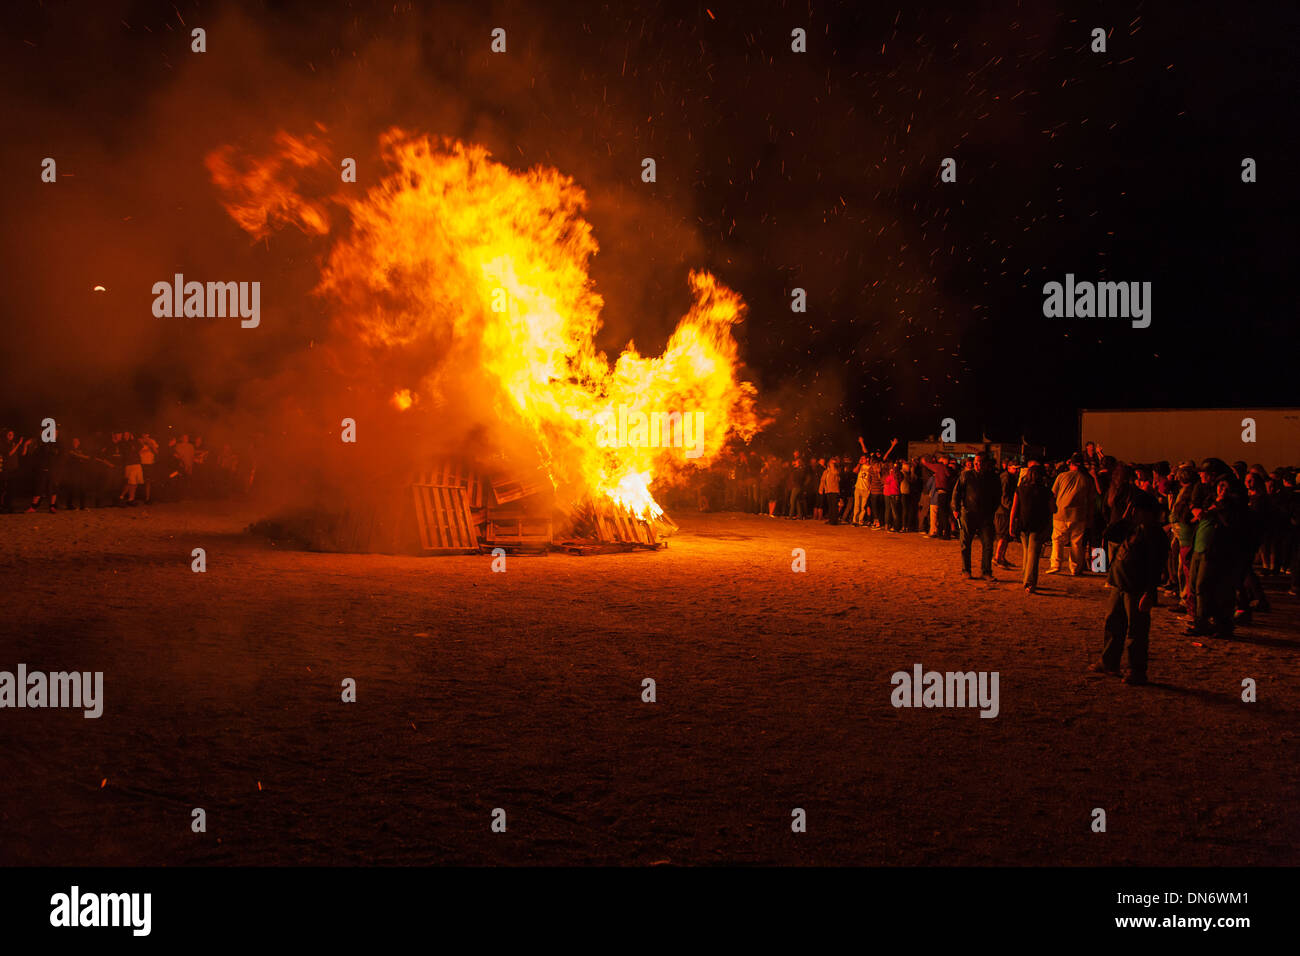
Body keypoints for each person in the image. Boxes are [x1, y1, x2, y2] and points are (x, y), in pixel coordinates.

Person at [1092, 484, 1168, 685]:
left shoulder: (1154, 534)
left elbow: (1155, 565)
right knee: (1113, 625)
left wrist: (1149, 593)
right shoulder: (1133, 527)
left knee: (1137, 631)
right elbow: (1109, 533)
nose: (1133, 512)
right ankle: (1109, 662)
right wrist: (1125, 517)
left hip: (1137, 588)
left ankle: (1136, 670)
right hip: (1119, 584)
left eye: (1136, 509)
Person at [952, 452, 1001, 579]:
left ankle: (986, 571)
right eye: (976, 463)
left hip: (986, 515)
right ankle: (966, 570)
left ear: (986, 464)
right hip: (968, 513)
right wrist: (955, 508)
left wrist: (992, 510)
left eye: (980, 463)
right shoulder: (966, 475)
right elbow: (957, 492)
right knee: (965, 544)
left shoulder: (993, 478)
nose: (978, 465)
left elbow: (997, 495)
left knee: (988, 544)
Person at [1010, 463, 1054, 592]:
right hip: (1038, 524)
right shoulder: (1045, 491)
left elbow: (1014, 508)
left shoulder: (1021, 489)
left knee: (1026, 552)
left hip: (1023, 524)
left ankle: (1026, 578)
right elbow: (1053, 508)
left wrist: (1011, 524)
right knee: (1033, 554)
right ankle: (1029, 582)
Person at [1049, 454, 1095, 574]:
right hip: (1079, 515)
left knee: (1057, 540)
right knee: (1076, 543)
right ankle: (1074, 568)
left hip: (1060, 513)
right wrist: (1090, 517)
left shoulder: (1062, 476)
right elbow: (1091, 501)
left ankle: (1056, 565)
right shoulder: (1087, 479)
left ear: (1071, 464)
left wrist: (1052, 510)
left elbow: (1053, 495)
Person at [921, 454, 955, 539]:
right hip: (947, 492)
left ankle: (945, 533)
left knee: (942, 514)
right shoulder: (948, 468)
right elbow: (948, 476)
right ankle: (943, 532)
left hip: (941, 492)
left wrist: (924, 462)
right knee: (944, 513)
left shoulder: (940, 467)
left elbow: (929, 466)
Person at [993, 460, 1019, 568]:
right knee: (1002, 535)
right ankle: (997, 557)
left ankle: (1002, 557)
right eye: (1014, 468)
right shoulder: (1006, 478)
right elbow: (1004, 495)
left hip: (1005, 510)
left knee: (1006, 535)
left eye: (1018, 468)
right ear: (1009, 468)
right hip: (1002, 511)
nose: (1017, 470)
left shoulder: (1011, 477)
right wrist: (1011, 507)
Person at [820, 457, 841, 525]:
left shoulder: (836, 470)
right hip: (828, 490)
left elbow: (835, 473)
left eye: (833, 462)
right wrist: (821, 488)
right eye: (830, 462)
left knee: (834, 506)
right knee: (830, 505)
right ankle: (831, 519)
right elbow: (822, 480)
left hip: (834, 490)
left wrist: (832, 465)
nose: (831, 463)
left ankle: (834, 521)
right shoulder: (826, 471)